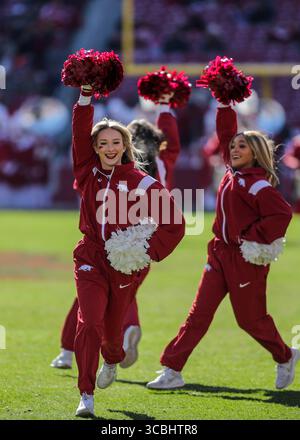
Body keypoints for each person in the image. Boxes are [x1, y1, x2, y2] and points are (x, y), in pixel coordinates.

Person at [147, 100, 300, 391]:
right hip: (218, 253)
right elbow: (226, 130)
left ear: (255, 153)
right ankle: (172, 369)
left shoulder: (258, 185)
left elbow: (281, 214)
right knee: (198, 315)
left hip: (245, 258)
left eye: (242, 147)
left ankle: (284, 356)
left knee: (250, 320)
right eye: (233, 147)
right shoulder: (232, 172)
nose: (234, 150)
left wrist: (252, 236)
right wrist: (224, 102)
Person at [69, 85, 185, 417]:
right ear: (94, 148)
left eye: (115, 142)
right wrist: (85, 97)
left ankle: (113, 357)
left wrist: (145, 249)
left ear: (125, 146)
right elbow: (79, 133)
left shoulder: (143, 181)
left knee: (112, 333)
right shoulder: (86, 170)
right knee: (89, 321)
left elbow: (174, 224)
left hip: (124, 264)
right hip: (90, 257)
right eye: (102, 143)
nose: (109, 148)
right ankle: (86, 394)